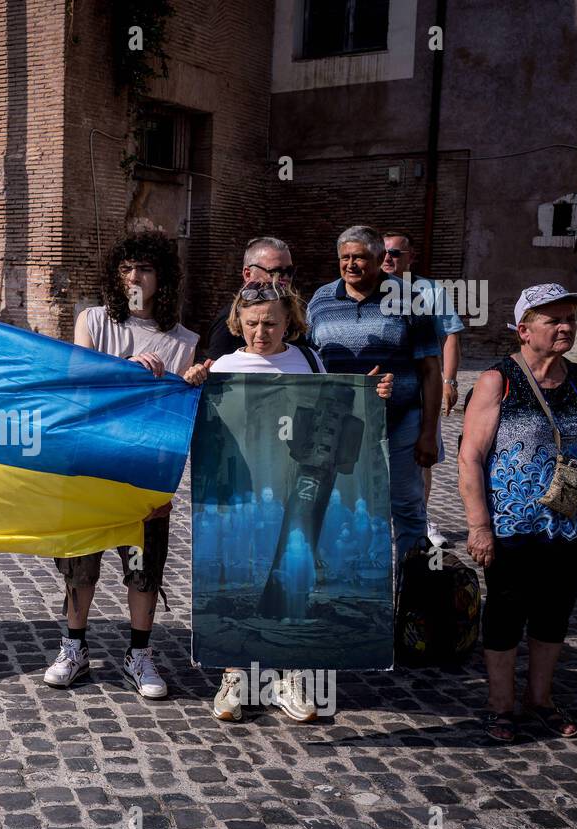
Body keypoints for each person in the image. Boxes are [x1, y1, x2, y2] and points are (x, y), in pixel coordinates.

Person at [187, 282, 393, 723]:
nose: (261, 332)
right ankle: (236, 675)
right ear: (238, 322)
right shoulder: (224, 364)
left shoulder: (307, 360)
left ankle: (291, 676)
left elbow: (339, 405)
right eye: (252, 323)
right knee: (243, 556)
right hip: (246, 479)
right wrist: (193, 383)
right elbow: (201, 421)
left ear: (289, 323)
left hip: (297, 478)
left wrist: (373, 394)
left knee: (298, 561)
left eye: (271, 323)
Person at [458, 283, 577, 742]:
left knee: (555, 613)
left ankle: (541, 699)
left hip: (575, 523)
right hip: (512, 525)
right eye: (554, 320)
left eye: (570, 318)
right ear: (525, 330)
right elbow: (470, 456)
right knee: (507, 612)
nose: (566, 326)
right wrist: (478, 526)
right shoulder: (498, 380)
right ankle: (499, 706)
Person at [43, 230, 200, 698]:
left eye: (146, 269)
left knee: (143, 565)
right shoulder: (93, 321)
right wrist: (129, 367)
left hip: (144, 473)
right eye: (127, 267)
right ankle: (74, 647)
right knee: (80, 564)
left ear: (162, 278)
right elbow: (77, 386)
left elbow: (176, 416)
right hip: (90, 463)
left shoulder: (182, 341)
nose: (135, 277)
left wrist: (165, 488)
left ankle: (139, 654)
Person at [306, 225, 441, 573]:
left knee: (406, 507)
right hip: (338, 425)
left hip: (398, 424)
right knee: (339, 505)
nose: (351, 265)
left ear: (381, 259)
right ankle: (344, 590)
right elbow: (308, 360)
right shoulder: (320, 301)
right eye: (345, 258)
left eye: (360, 258)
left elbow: (430, 370)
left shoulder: (411, 300)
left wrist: (428, 433)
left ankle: (411, 596)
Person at [382, 230, 464, 548]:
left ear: (410, 258)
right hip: (380, 389)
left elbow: (451, 334)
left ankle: (421, 517)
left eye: (396, 253)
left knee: (421, 453)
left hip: (418, 388)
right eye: (384, 252)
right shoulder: (370, 288)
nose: (388, 257)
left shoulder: (428, 291)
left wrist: (450, 381)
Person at [204, 236, 296, 361]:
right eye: (276, 272)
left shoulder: (293, 312)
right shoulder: (229, 319)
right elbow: (215, 372)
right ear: (248, 274)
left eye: (289, 271)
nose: (285, 278)